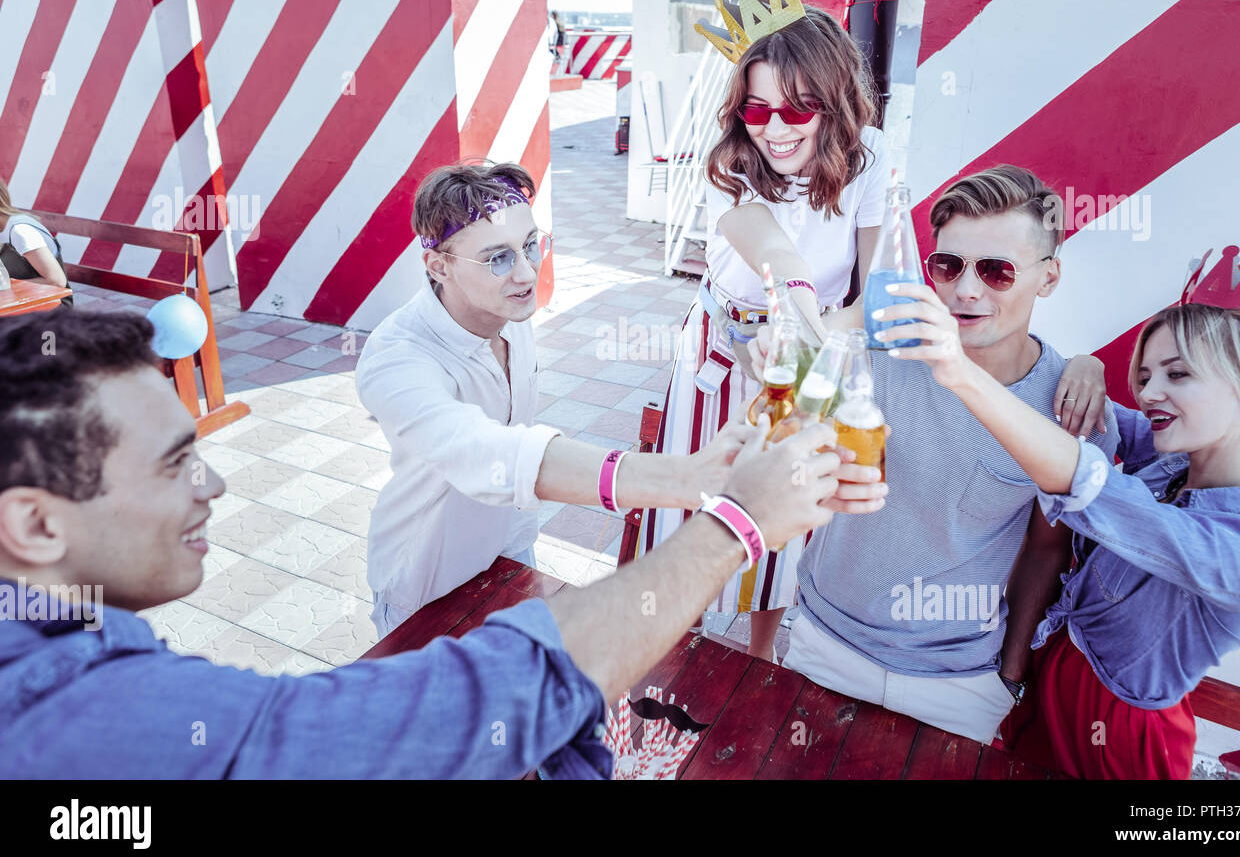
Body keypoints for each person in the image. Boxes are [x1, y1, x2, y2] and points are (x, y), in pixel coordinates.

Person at [0, 309, 885, 778]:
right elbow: (439, 712)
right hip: (428, 581)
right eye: (175, 466)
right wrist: (730, 523)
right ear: (37, 525)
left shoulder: (67, 635)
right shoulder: (82, 724)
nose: (216, 484)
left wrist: (693, 477)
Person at [355, 160, 885, 637]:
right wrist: (693, 478)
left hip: (510, 550)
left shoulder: (510, 317)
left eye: (530, 245)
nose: (524, 273)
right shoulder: (396, 360)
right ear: (438, 265)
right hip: (426, 576)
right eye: (496, 259)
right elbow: (486, 452)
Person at [876, 266, 1240, 778]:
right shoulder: (1173, 458)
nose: (1149, 393)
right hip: (1049, 682)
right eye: (1145, 376)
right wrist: (1084, 367)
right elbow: (1072, 412)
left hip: (1123, 734)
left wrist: (960, 373)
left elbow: (1090, 481)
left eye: (1178, 374)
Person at [772, 164, 1116, 745]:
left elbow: (1047, 547)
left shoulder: (1067, 406)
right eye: (948, 265)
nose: (967, 289)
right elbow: (785, 400)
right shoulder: (880, 350)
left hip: (959, 682)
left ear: (1048, 278)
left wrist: (1009, 673)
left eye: (997, 270)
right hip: (824, 640)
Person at [639, 0, 894, 660]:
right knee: (698, 493)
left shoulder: (868, 159)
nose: (776, 128)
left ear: (832, 99)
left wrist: (811, 343)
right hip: (722, 345)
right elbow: (770, 247)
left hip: (812, 352)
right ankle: (676, 638)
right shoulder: (734, 162)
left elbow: (874, 290)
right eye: (758, 109)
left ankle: (759, 655)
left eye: (797, 107)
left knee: (784, 506)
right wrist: (795, 316)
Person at [0, 176, 71, 304]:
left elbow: (56, 281)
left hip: (48, 308)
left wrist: (5, 288)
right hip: (17, 301)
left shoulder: (21, 231)